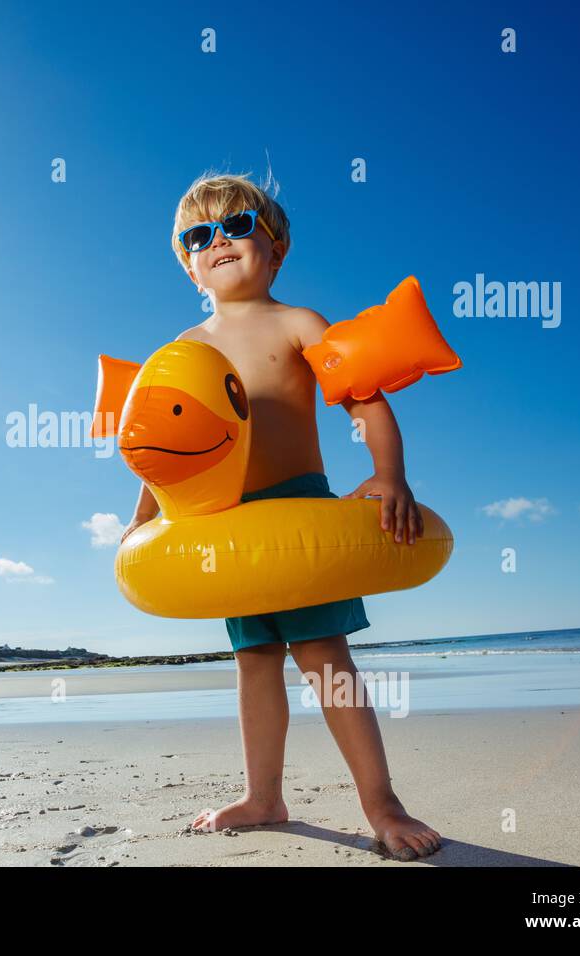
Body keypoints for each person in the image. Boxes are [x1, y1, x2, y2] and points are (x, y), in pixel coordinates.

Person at [119, 171, 442, 859]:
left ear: (277, 247)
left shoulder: (299, 324)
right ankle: (264, 795)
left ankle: (382, 805)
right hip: (225, 529)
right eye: (199, 236)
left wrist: (390, 476)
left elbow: (365, 398)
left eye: (237, 225)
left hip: (298, 519)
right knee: (254, 662)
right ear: (188, 263)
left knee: (325, 658)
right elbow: (163, 452)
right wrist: (142, 519)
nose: (219, 241)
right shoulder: (183, 350)